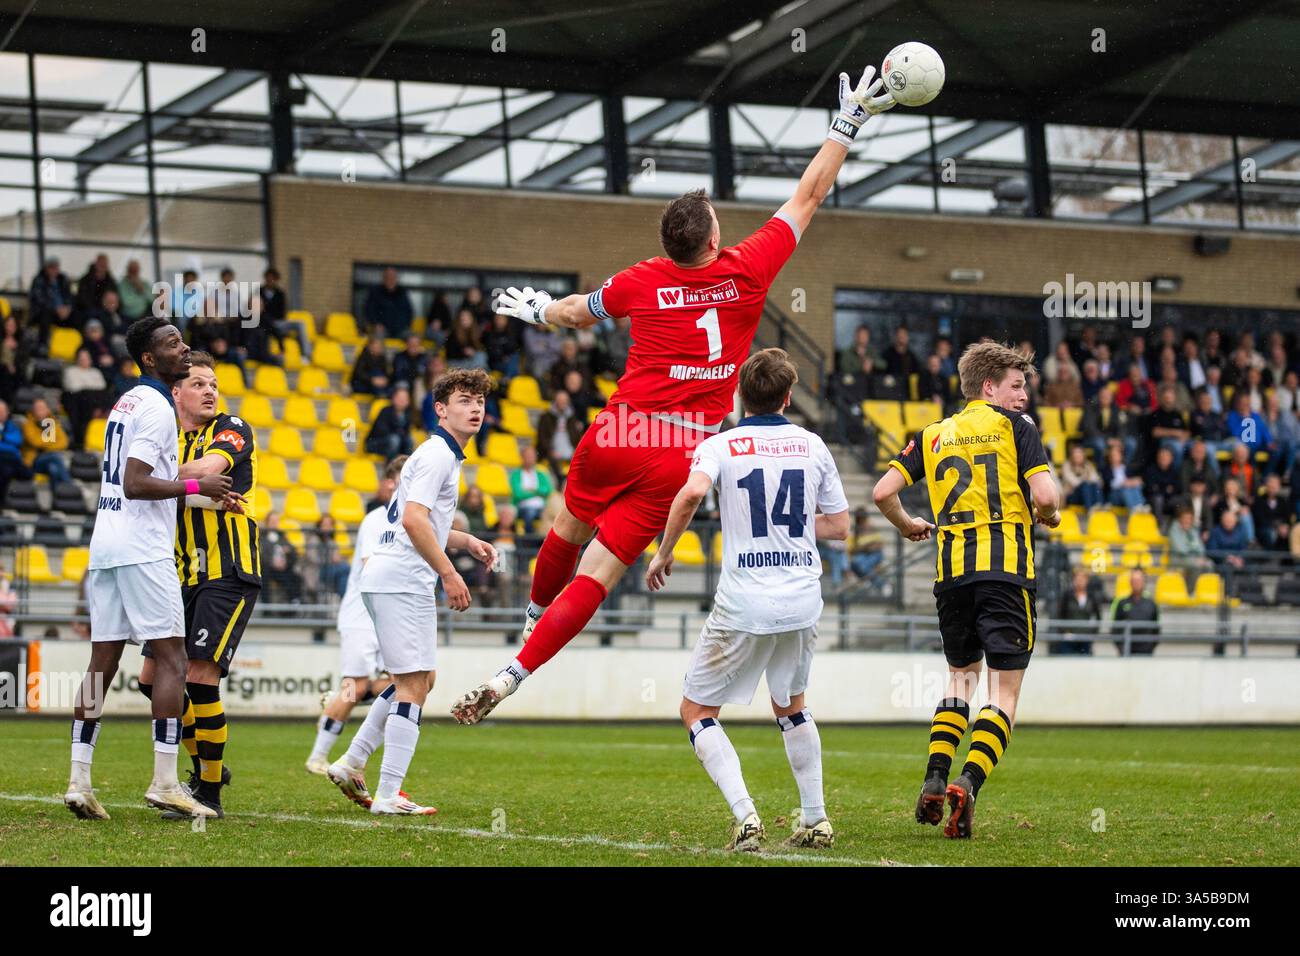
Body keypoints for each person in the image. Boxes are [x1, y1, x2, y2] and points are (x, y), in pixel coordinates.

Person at [448, 63, 896, 726]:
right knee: (598, 578)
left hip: (621, 433)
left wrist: (537, 307)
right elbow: (809, 195)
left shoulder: (643, 279)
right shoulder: (747, 269)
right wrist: (846, 123)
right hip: (679, 453)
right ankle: (517, 671)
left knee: (567, 529)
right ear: (714, 238)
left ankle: (532, 619)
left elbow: (574, 314)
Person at [643, 349, 849, 851]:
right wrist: (797, 528)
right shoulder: (813, 444)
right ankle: (816, 820)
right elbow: (840, 526)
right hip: (801, 598)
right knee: (792, 708)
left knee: (697, 711)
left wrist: (663, 553)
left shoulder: (723, 444)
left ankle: (747, 818)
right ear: (788, 396)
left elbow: (690, 495)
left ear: (740, 395)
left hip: (745, 600)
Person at [871, 341, 1058, 839]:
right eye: (1017, 386)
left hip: (951, 578)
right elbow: (1045, 495)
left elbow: (882, 492)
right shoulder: (1018, 429)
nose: (1024, 396)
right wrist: (1050, 515)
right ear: (989, 387)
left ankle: (935, 776)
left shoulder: (932, 434)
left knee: (959, 681)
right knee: (1003, 694)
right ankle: (967, 783)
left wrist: (909, 523)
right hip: (1005, 575)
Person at [64, 318, 235, 822]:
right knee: (173, 661)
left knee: (101, 665)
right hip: (142, 545)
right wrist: (195, 489)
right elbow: (137, 482)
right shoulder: (159, 405)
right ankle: (164, 782)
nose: (183, 349)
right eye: (171, 344)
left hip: (106, 544)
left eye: (181, 340)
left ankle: (78, 781)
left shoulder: (125, 401)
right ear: (149, 359)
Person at [327, 369, 498, 815]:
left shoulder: (440, 455)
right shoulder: (438, 454)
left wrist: (467, 541)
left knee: (420, 680)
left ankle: (351, 761)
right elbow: (413, 522)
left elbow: (424, 523)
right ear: (441, 409)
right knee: (412, 684)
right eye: (464, 400)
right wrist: (449, 573)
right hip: (403, 578)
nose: (475, 407)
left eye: (479, 400)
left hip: (394, 575)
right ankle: (387, 793)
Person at [135, 352, 258, 819]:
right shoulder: (166, 432)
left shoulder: (231, 426)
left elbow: (210, 470)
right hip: (178, 574)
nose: (210, 391)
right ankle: (208, 764)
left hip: (227, 570)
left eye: (213, 383)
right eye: (199, 383)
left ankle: (208, 794)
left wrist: (149, 475)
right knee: (151, 680)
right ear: (176, 392)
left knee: (199, 674)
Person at [305, 456, 404, 776]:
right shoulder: (377, 519)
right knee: (355, 687)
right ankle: (317, 757)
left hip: (384, 615)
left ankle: (355, 750)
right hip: (362, 615)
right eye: (403, 478)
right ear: (389, 484)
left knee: (397, 686)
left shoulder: (408, 518)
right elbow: (368, 565)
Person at [20, 397, 71, 486]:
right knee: (55, 456)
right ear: (33, 410)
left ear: (48, 410)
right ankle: (70, 486)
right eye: (37, 408)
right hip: (34, 461)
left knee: (53, 469)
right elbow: (35, 442)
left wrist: (46, 444)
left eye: (42, 408)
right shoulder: (27, 424)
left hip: (49, 460)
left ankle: (59, 496)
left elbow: (64, 442)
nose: (40, 410)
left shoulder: (53, 423)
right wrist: (52, 443)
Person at [1111, 568, 1159, 655]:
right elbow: (1115, 627)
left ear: (1144, 582)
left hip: (1145, 651)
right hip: (1126, 651)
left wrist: (1150, 647)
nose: (1137, 583)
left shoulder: (1151, 604)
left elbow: (1156, 628)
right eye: (1134, 580)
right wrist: (1121, 647)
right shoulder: (1122, 603)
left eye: (1139, 580)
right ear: (1130, 582)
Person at [1053, 568, 1100, 656]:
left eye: (1082, 579)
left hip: (1086, 639)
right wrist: (1065, 632)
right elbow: (1059, 615)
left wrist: (1092, 633)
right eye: (1077, 579)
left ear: (1087, 580)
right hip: (1069, 640)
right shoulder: (1067, 595)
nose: (1080, 581)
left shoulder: (1092, 597)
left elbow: (1098, 617)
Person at [28, 256, 74, 345]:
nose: (54, 270)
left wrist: (68, 308)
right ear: (46, 268)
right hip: (43, 312)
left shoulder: (63, 279)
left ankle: (79, 347)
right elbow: (39, 299)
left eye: (56, 267)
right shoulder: (39, 280)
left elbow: (69, 296)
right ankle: (43, 345)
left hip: (62, 312)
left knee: (78, 314)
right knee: (46, 314)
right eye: (51, 267)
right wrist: (56, 309)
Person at [365, 383, 416, 460]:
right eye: (400, 398)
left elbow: (406, 433)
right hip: (375, 442)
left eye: (405, 398)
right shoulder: (385, 411)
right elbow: (382, 432)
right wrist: (399, 433)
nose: (402, 401)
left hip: (396, 442)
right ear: (393, 398)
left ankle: (406, 466)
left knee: (409, 441)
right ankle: (391, 467)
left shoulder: (407, 414)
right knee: (394, 440)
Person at [509, 445, 553, 533]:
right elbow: (518, 494)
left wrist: (532, 490)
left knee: (552, 513)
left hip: (542, 506)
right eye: (528, 456)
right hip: (523, 507)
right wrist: (538, 492)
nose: (530, 459)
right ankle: (529, 541)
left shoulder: (540, 474)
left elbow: (548, 490)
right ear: (522, 457)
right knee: (530, 512)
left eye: (532, 456)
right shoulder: (516, 475)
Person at [364, 267, 413, 340]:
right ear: (384, 278)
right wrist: (376, 324)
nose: (390, 279)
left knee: (413, 339)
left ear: (396, 278)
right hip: (382, 329)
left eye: (393, 276)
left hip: (400, 329)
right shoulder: (375, 292)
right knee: (376, 341)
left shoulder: (402, 292)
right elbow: (369, 310)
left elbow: (409, 311)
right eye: (388, 276)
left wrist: (405, 325)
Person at [1168, 505, 1212, 574]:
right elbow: (1181, 550)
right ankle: (1191, 585)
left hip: (1193, 558)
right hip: (1178, 559)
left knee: (1209, 564)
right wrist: (1195, 555)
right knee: (1195, 565)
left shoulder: (1193, 530)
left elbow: (1201, 549)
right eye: (1185, 518)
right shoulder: (1174, 530)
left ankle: (1204, 584)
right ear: (1180, 519)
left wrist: (1199, 557)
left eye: (1190, 518)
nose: (1187, 520)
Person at [1060, 443, 1102, 509]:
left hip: (1086, 493)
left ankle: (1099, 506)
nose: (1077, 456)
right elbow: (1074, 482)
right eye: (1076, 454)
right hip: (1071, 495)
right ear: (1072, 455)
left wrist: (1087, 480)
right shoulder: (1066, 465)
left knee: (1095, 485)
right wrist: (1085, 479)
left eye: (1079, 454)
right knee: (1085, 485)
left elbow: (1096, 479)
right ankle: (1090, 508)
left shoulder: (1088, 465)